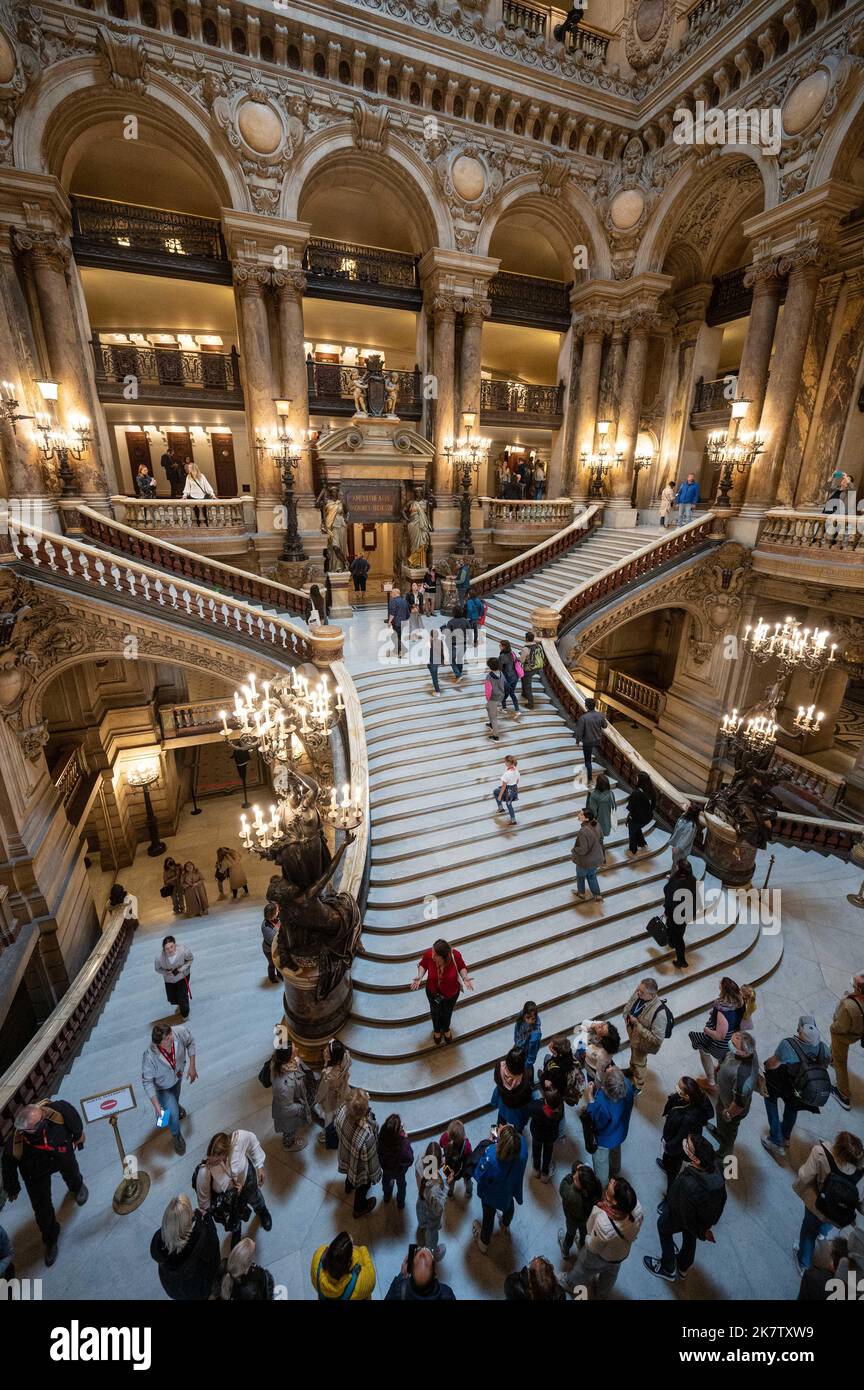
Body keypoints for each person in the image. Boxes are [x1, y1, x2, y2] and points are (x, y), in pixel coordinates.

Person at [1, 1101, 88, 1267]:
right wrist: (12, 1188)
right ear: (26, 1130)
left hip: (61, 1154)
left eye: (42, 1119)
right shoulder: (15, 1144)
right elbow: (8, 1166)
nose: (43, 1123)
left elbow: (72, 1116)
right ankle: (50, 1239)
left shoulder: (56, 1112)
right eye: (37, 1125)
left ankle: (77, 1187)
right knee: (42, 1208)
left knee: (72, 1172)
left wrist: (78, 1135)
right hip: (36, 1172)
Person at [644, 1133, 727, 1282]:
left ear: (695, 1159)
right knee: (690, 1237)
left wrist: (701, 1232)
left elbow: (686, 1216)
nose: (684, 1143)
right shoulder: (718, 1167)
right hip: (703, 1217)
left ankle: (668, 1267)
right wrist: (706, 1226)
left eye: (687, 1146)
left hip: (682, 1216)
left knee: (663, 1226)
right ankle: (683, 1266)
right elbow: (723, 1197)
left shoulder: (689, 1184)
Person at [793, 1131, 864, 1273]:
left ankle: (803, 1263)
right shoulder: (861, 1167)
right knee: (827, 1223)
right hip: (841, 1210)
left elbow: (804, 1176)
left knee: (808, 1231)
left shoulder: (820, 1152)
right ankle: (823, 1233)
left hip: (819, 1204)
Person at [762, 1015, 832, 1159]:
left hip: (781, 1083)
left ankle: (776, 1140)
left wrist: (765, 1065)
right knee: (792, 1107)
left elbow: (772, 1064)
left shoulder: (788, 1045)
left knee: (770, 1101)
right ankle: (786, 1136)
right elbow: (824, 1064)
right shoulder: (824, 1048)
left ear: (799, 1030)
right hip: (800, 1089)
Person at [562, 1176, 643, 1299]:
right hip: (619, 1254)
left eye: (613, 1184)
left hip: (600, 1256)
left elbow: (593, 1247)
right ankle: (602, 1293)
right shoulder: (636, 1208)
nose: (611, 1181)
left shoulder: (604, 1223)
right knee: (610, 1275)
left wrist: (586, 1239)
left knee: (584, 1267)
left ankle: (569, 1283)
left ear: (614, 1202)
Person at [195, 1129, 271, 1247]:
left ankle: (262, 1212)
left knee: (256, 1197)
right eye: (211, 1157)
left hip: (247, 1178)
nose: (211, 1161)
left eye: (218, 1159)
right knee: (234, 1215)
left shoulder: (237, 1141)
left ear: (226, 1152)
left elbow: (251, 1140)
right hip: (228, 1198)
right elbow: (204, 1199)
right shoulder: (204, 1172)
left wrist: (259, 1166)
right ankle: (236, 1230)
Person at [149, 1193, 220, 1301]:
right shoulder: (203, 1236)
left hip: (172, 1288)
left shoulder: (160, 1242)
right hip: (198, 1290)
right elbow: (215, 1257)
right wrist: (207, 1219)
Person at [472, 1122, 529, 1254]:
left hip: (490, 1195)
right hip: (508, 1191)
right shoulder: (523, 1149)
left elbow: (479, 1175)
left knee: (488, 1217)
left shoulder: (491, 1155)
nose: (500, 1127)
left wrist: (491, 1141)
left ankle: (484, 1242)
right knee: (509, 1208)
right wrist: (509, 1133)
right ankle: (505, 1224)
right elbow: (518, 1139)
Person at [142, 1022, 197, 1155]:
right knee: (171, 1112)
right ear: (158, 1044)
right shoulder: (149, 1056)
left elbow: (190, 1042)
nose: (171, 1038)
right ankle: (176, 1135)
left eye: (170, 1034)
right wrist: (156, 1106)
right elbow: (147, 1081)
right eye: (167, 1039)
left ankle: (172, 1108)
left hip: (177, 1079)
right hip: (162, 1088)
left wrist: (192, 1066)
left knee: (174, 1101)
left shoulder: (179, 1032)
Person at [689, 976, 750, 1089]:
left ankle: (711, 1082)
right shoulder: (740, 1002)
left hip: (722, 1043)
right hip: (734, 1037)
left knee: (703, 1049)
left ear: (723, 990)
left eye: (720, 985)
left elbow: (720, 1036)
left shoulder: (723, 1011)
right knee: (724, 1057)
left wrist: (706, 1030)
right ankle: (721, 1069)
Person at [708, 1030, 759, 1161]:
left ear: (745, 1052)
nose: (729, 1044)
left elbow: (739, 1104)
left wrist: (728, 1113)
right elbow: (728, 1056)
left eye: (733, 1044)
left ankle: (724, 1152)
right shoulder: (743, 1054)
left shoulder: (744, 1078)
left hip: (731, 1108)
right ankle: (720, 1132)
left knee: (728, 1131)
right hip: (725, 1096)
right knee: (721, 1122)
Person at [411, 937, 474, 1045]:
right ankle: (436, 1030)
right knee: (435, 1012)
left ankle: (445, 1029)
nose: (432, 955)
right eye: (433, 952)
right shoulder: (429, 954)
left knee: (447, 1012)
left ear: (444, 956)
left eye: (435, 955)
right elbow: (423, 964)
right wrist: (420, 976)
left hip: (451, 993)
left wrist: (465, 977)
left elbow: (461, 967)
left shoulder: (455, 955)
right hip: (433, 992)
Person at [581, 1065, 634, 1187]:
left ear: (606, 1087)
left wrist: (590, 1098)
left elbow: (597, 1122)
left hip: (604, 1139)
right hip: (620, 1132)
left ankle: (602, 1183)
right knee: (616, 1151)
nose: (609, 1067)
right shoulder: (628, 1085)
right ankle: (615, 1170)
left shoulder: (603, 1101)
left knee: (601, 1161)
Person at [658, 1077, 714, 1189]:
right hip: (670, 1136)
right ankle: (666, 1164)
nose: (676, 1088)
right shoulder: (686, 1099)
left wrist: (668, 1147)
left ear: (687, 1096)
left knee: (673, 1168)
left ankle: (670, 1193)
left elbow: (679, 1141)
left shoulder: (689, 1118)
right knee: (668, 1160)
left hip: (675, 1148)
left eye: (679, 1088)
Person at [335, 1088, 381, 1217]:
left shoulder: (341, 1111)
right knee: (363, 1187)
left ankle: (348, 1187)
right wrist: (375, 1175)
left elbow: (336, 1127)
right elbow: (371, 1161)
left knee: (349, 1173)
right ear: (365, 1111)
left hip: (345, 1154)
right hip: (359, 1169)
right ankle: (359, 1208)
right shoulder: (366, 1136)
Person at [622, 976, 670, 1094]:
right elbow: (630, 1004)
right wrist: (626, 1015)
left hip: (643, 1043)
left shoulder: (660, 1015)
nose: (637, 993)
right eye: (638, 989)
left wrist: (637, 1025)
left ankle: (638, 1085)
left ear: (652, 996)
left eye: (641, 992)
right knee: (634, 1056)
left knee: (640, 1062)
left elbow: (657, 1039)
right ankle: (632, 1070)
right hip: (634, 1035)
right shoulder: (640, 993)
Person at [829, 971, 864, 1110]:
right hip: (858, 1032)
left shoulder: (849, 1006)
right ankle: (831, 1058)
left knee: (841, 1061)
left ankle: (843, 1094)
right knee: (836, 1054)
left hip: (843, 1036)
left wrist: (832, 1027)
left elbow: (840, 1027)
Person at [310, 1231, 377, 1300]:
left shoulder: (318, 1257)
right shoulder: (362, 1281)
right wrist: (363, 1249)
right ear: (348, 1263)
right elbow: (370, 1273)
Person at [270, 1044, 313, 1151]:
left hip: (294, 1102)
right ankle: (288, 1145)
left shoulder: (284, 1064)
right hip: (290, 1114)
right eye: (294, 1050)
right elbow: (287, 1108)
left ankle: (290, 1139)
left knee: (291, 1128)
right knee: (289, 1130)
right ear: (288, 1057)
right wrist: (301, 1107)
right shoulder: (283, 1085)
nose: (297, 1049)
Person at [558, 1161, 602, 1260]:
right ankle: (582, 1247)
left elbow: (563, 1185)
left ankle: (565, 1250)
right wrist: (584, 1172)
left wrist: (573, 1173)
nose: (574, 1175)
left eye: (576, 1177)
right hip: (587, 1219)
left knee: (570, 1234)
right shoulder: (596, 1184)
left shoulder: (571, 1194)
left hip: (572, 1220)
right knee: (584, 1233)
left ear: (581, 1186)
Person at [385, 1245, 456, 1300]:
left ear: (410, 1271)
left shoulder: (398, 1288)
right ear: (435, 1274)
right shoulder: (446, 1294)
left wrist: (402, 1274)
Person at [316, 1037, 351, 1149]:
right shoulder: (346, 1057)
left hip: (330, 1098)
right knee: (340, 1111)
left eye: (327, 1051)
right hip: (343, 1091)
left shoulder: (329, 1075)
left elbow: (322, 1090)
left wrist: (318, 1099)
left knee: (329, 1117)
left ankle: (327, 1134)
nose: (325, 1051)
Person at [415, 1142, 448, 1260]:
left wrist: (436, 1165)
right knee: (432, 1230)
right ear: (439, 1164)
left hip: (421, 1198)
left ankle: (422, 1224)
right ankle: (431, 1251)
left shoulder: (419, 1161)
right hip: (432, 1208)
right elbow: (438, 1208)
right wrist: (447, 1183)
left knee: (421, 1211)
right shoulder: (436, 1186)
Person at [491, 1046, 535, 1131]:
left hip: (502, 1099)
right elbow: (526, 1098)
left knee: (500, 1119)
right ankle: (517, 1137)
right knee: (519, 1124)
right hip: (517, 1108)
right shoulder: (524, 1079)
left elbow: (496, 1079)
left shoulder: (499, 1066)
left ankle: (495, 1137)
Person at [527, 1081, 564, 1182]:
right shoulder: (560, 1108)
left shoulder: (538, 1108)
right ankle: (545, 1173)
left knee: (536, 1150)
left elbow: (528, 1107)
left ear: (546, 1101)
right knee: (548, 1152)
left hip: (537, 1134)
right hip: (551, 1136)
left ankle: (536, 1169)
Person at [665, 858, 698, 969]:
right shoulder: (693, 879)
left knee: (677, 937)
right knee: (679, 930)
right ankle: (672, 942)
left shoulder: (676, 882)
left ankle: (681, 961)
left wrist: (667, 912)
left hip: (675, 913)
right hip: (686, 913)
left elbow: (668, 896)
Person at [378, 1114, 414, 1210]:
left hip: (386, 1168)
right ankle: (400, 1203)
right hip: (399, 1171)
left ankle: (387, 1196)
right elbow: (410, 1159)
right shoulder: (402, 1146)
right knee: (401, 1185)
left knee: (386, 1182)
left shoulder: (381, 1137)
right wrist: (405, 1139)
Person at [154, 934, 193, 1019]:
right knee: (172, 998)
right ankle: (180, 1003)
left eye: (171, 947)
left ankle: (185, 1014)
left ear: (175, 945)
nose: (170, 950)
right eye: (167, 948)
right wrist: (165, 972)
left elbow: (190, 960)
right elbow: (157, 969)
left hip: (183, 976)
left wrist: (181, 969)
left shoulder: (184, 951)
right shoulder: (159, 958)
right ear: (163, 949)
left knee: (182, 996)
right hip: (169, 979)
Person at [571, 807, 604, 901]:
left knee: (580, 877)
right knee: (592, 876)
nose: (578, 815)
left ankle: (581, 893)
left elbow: (582, 850)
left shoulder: (583, 831)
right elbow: (601, 838)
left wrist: (574, 850)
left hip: (585, 861)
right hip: (596, 858)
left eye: (581, 814)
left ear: (586, 818)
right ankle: (597, 895)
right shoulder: (597, 824)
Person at [577, 1019, 621, 1089]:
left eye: (601, 1028)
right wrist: (592, 1025)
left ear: (600, 1038)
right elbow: (583, 1023)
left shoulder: (602, 1055)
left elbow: (599, 1075)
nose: (600, 1024)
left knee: (592, 1080)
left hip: (593, 1067)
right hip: (585, 1053)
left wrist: (597, 1087)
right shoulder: (601, 1026)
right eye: (604, 1023)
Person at [573, 697, 607, 783]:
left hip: (588, 741)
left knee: (587, 760)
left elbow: (579, 731)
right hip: (598, 740)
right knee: (590, 756)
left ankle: (590, 777)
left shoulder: (583, 718)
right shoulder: (600, 715)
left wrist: (577, 741)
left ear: (586, 707)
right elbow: (605, 726)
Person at [439, 1119, 473, 1198]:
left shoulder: (444, 1137)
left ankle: (450, 1193)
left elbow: (440, 1144)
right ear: (463, 1134)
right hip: (463, 1169)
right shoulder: (466, 1145)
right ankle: (468, 1192)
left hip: (449, 1168)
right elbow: (470, 1156)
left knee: (450, 1181)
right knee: (467, 1180)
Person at [625, 771, 655, 854]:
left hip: (637, 818)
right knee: (637, 829)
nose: (636, 779)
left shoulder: (636, 793)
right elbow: (653, 806)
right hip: (647, 817)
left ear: (640, 780)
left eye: (637, 778)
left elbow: (631, 807)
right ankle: (642, 844)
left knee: (632, 833)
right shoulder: (652, 791)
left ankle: (633, 850)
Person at [440, 610, 469, 680]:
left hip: (454, 644)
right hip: (463, 643)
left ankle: (458, 674)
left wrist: (443, 627)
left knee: (451, 659)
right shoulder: (466, 621)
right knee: (460, 659)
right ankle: (459, 673)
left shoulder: (450, 622)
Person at [493, 754, 520, 825]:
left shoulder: (506, 774)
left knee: (496, 791)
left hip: (508, 791)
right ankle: (513, 819)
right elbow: (517, 781)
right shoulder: (516, 771)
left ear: (508, 763)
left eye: (505, 761)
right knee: (509, 804)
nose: (504, 763)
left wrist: (499, 796)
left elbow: (504, 786)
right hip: (514, 789)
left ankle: (501, 808)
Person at [514, 1000, 542, 1068]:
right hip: (519, 1047)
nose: (530, 1021)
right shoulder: (520, 1019)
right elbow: (516, 1032)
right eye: (528, 1017)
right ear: (524, 1015)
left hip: (526, 1055)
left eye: (533, 1019)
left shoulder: (536, 1034)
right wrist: (517, 1044)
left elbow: (533, 1052)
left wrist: (528, 1065)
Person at [484, 656, 506, 741]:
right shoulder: (501, 673)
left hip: (493, 698)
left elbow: (488, 690)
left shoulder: (489, 676)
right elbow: (504, 683)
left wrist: (488, 699)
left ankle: (495, 736)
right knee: (487, 707)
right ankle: (491, 724)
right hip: (500, 696)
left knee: (494, 717)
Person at [586, 773, 615, 839]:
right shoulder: (611, 793)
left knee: (596, 838)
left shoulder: (594, 795)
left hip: (597, 822)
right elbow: (614, 807)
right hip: (607, 821)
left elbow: (593, 812)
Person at [519, 630, 543, 708]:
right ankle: (524, 693)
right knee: (523, 678)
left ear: (526, 639)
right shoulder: (538, 646)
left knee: (527, 686)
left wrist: (520, 656)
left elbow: (522, 661)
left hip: (529, 669)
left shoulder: (525, 649)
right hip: (537, 667)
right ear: (533, 639)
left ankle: (530, 703)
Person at [498, 640, 522, 716]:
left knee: (508, 693)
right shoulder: (512, 653)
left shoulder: (502, 656)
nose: (499, 647)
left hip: (507, 678)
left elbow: (499, 669)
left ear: (504, 647)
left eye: (500, 645)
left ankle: (515, 709)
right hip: (515, 677)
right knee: (509, 693)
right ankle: (507, 708)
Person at [387, 585, 411, 658]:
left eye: (391, 593)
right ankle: (397, 650)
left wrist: (389, 621)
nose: (391, 595)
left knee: (394, 637)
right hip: (404, 622)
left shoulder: (393, 601)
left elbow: (392, 613)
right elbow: (408, 613)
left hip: (396, 623)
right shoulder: (404, 601)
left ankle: (402, 650)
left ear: (394, 594)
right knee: (399, 637)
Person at [261, 902, 280, 984]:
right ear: (272, 914)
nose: (278, 912)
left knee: (278, 963)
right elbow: (274, 940)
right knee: (272, 964)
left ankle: (279, 974)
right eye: (277, 911)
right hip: (269, 949)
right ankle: (272, 977)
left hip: (275, 947)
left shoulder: (274, 919)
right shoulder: (266, 927)